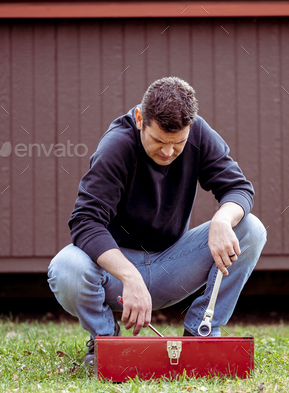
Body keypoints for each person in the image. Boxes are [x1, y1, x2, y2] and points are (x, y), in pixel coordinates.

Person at [47, 76, 267, 366]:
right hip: (116, 275)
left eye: (178, 143)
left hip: (173, 265)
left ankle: (201, 332)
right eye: (158, 141)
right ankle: (103, 341)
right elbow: (85, 221)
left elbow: (238, 188)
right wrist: (129, 276)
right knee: (66, 267)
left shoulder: (199, 133)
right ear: (140, 119)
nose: (167, 152)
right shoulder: (117, 146)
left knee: (251, 228)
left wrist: (222, 220)